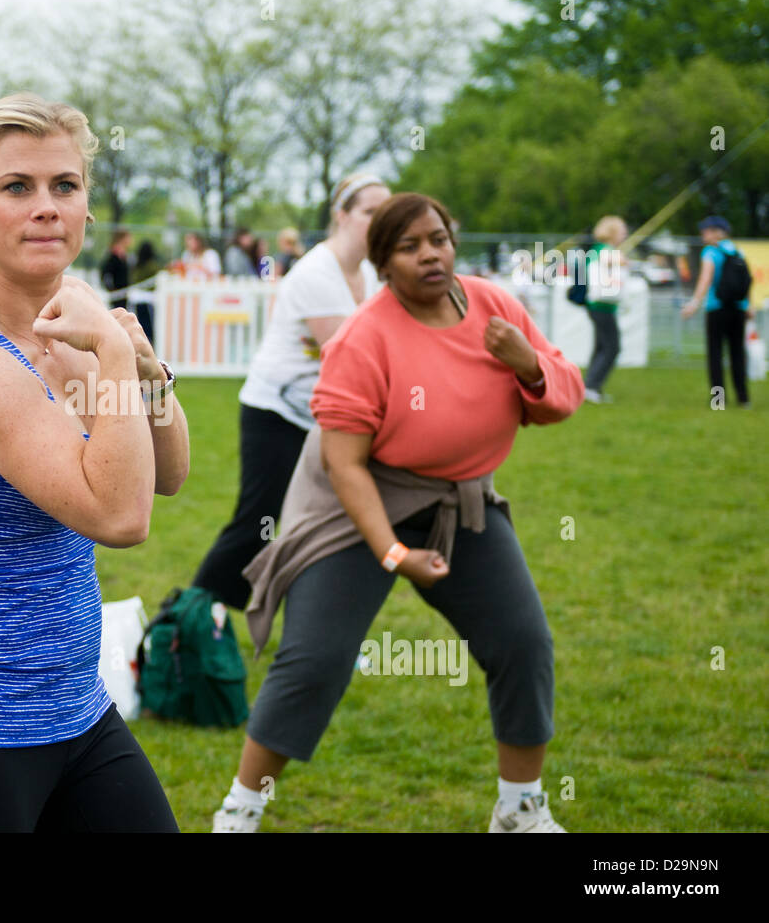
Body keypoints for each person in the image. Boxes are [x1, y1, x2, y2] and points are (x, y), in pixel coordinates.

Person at [212, 192, 584, 833]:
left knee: (524, 643)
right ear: (382, 264)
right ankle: (241, 809)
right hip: (353, 507)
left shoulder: (494, 307)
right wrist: (392, 552)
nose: (430, 254)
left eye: (437, 238)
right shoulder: (364, 336)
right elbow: (345, 466)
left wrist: (526, 362)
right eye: (409, 247)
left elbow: (561, 396)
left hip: (460, 501)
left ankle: (520, 808)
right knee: (316, 659)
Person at [0, 92, 189, 832]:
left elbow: (168, 472)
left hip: (79, 715)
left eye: (65, 185)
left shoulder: (70, 325)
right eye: (16, 187)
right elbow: (121, 516)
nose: (46, 206)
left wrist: (148, 375)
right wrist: (115, 355)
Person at [182, 173, 389, 614]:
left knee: (322, 526)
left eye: (386, 211)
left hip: (322, 416)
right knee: (258, 521)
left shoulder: (368, 272)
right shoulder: (318, 271)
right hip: (275, 412)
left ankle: (315, 630)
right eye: (371, 211)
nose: (381, 220)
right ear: (342, 215)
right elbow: (351, 356)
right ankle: (187, 618)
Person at [682, 215, 751, 408]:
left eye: (706, 230)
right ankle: (744, 398)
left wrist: (694, 303)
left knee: (715, 355)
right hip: (738, 309)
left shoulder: (710, 252)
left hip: (716, 308)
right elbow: (746, 281)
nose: (702, 233)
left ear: (716, 232)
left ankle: (718, 400)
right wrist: (748, 306)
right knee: (737, 354)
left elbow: (705, 279)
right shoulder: (738, 252)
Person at [582, 216, 627, 403]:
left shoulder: (596, 250)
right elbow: (615, 261)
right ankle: (591, 386)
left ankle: (590, 386)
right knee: (612, 347)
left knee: (601, 346)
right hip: (603, 305)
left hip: (598, 305)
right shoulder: (605, 251)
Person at [129, 239, 161, 345]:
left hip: (137, 299)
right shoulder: (153, 266)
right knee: (148, 328)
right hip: (148, 300)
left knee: (139, 324)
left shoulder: (137, 265)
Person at [100, 228, 132, 305]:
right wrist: (111, 288)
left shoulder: (123, 255)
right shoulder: (113, 255)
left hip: (123, 293)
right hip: (117, 294)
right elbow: (105, 272)